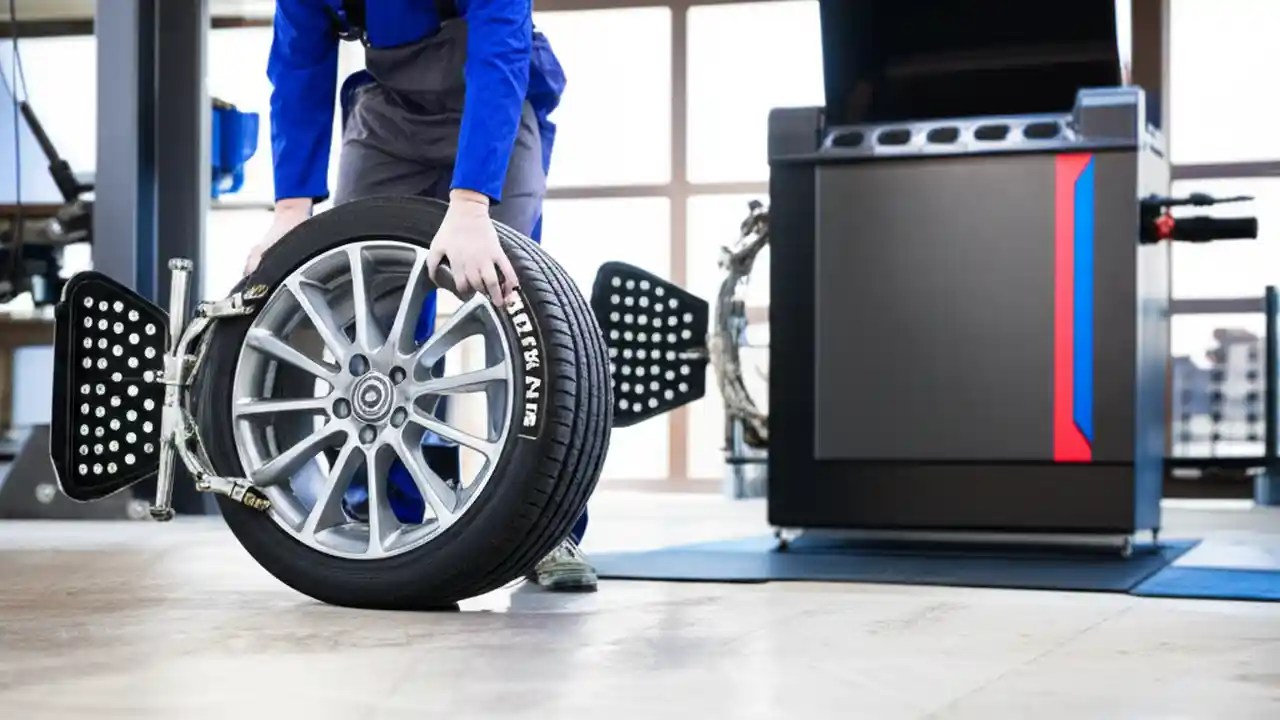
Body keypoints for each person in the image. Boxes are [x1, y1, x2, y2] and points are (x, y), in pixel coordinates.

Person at [246, 0, 596, 591]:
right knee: (369, 324)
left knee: (515, 308)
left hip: (492, 106)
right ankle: (389, 512)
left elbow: (500, 48)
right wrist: (290, 209)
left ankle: (547, 526)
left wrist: (471, 203)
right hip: (389, 114)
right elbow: (298, 62)